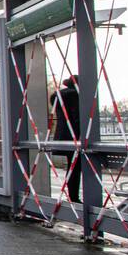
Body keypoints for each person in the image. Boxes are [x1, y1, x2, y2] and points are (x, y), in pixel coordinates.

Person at [52, 75, 81, 203]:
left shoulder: (58, 96)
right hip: (75, 135)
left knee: (72, 166)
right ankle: (75, 197)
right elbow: (77, 117)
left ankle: (72, 196)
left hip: (62, 136)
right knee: (77, 166)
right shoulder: (76, 96)